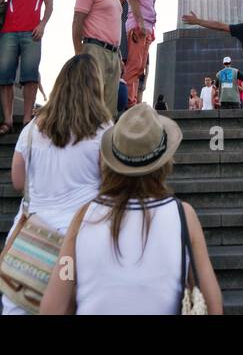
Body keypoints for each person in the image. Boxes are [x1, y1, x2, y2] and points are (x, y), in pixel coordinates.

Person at [39, 103, 223, 314]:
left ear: (111, 160)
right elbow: (213, 304)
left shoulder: (84, 217)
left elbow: (57, 296)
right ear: (164, 162)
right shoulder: (183, 216)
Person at [1, 54, 112, 315]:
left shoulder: (31, 129)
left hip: (31, 236)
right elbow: (110, 184)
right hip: (81, 237)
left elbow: (18, 181)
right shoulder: (104, 129)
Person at [0, 0, 53, 136]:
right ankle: (7, 121)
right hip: (9, 32)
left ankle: (27, 119)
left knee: (30, 77)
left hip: (32, 32)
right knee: (5, 77)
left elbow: (49, 4)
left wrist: (42, 25)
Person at [73, 0, 125, 119]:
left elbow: (113, 27)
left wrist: (119, 56)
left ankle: (103, 142)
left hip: (113, 53)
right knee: (91, 100)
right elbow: (77, 21)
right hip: (94, 49)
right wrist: (78, 53)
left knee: (109, 108)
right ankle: (84, 141)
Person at [122, 0, 158, 106]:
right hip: (139, 28)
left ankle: (133, 100)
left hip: (147, 29)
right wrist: (141, 23)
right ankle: (129, 102)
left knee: (139, 68)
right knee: (133, 66)